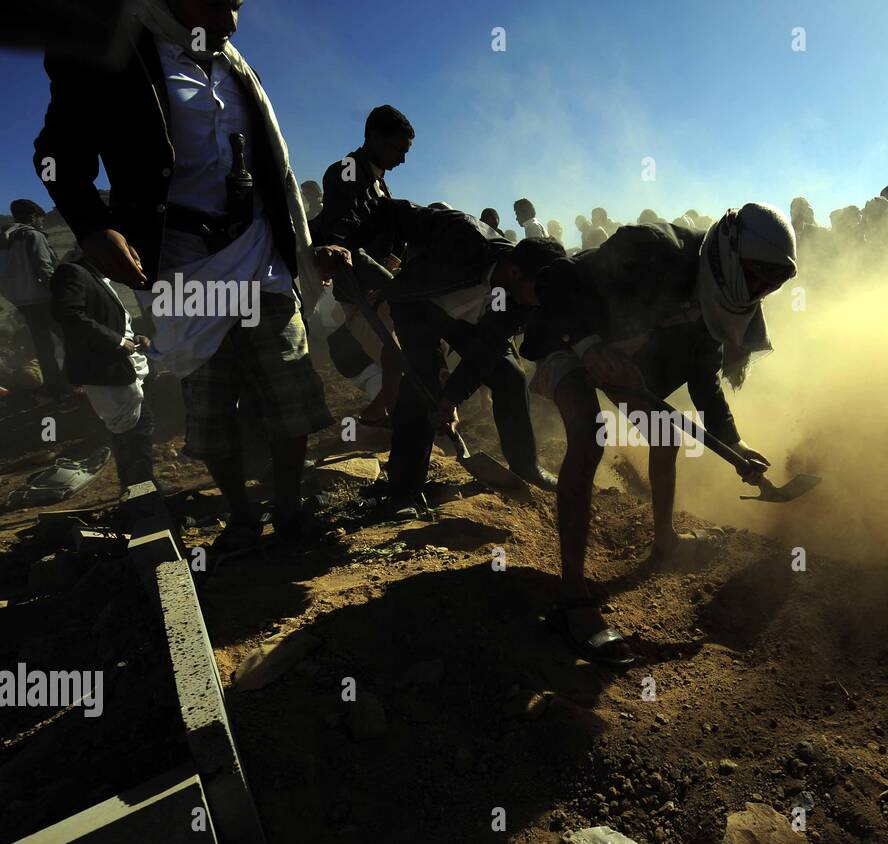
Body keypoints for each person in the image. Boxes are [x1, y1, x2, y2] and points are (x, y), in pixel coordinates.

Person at [34, 0, 353, 551]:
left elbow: (273, 170)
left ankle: (288, 510)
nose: (235, 10)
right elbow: (54, 154)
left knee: (289, 389)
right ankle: (243, 520)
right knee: (210, 408)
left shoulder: (235, 68)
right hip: (183, 268)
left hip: (257, 253)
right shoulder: (108, 50)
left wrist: (302, 246)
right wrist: (91, 227)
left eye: (239, 1)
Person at [517, 204, 797, 665]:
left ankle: (664, 540)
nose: (761, 291)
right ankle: (573, 598)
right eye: (757, 276)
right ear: (730, 254)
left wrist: (736, 442)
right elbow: (555, 279)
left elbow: (704, 376)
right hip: (566, 332)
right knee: (589, 436)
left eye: (773, 283)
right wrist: (588, 346)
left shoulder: (724, 299)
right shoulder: (653, 248)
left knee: (665, 436)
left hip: (619, 352)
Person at [318, 201, 560, 514]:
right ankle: (404, 490)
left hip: (467, 320)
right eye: (540, 291)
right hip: (418, 305)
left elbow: (485, 349)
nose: (541, 301)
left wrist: (453, 398)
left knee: (510, 377)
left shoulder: (521, 300)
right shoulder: (463, 234)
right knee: (423, 384)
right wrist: (343, 243)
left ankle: (525, 466)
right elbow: (390, 211)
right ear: (515, 272)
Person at [315, 105, 416, 429]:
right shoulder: (347, 170)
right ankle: (397, 424)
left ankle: (377, 413)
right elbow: (341, 224)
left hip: (381, 285)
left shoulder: (379, 183)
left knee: (409, 350)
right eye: (397, 149)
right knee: (396, 352)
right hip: (356, 289)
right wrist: (342, 253)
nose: (402, 159)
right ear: (374, 137)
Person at [49, 250, 156, 492]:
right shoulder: (72, 273)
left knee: (137, 435)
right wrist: (116, 342)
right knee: (132, 438)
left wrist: (133, 336)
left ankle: (141, 494)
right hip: (109, 372)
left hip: (124, 368)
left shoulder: (98, 278)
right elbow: (67, 314)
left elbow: (113, 321)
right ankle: (143, 498)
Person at [0, 199, 73, 401]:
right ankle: (72, 382)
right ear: (33, 216)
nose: (41, 223)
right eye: (40, 218)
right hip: (44, 298)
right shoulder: (32, 235)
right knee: (70, 338)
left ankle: (55, 389)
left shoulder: (5, 239)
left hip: (22, 302)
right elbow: (45, 268)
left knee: (43, 346)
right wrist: (60, 293)